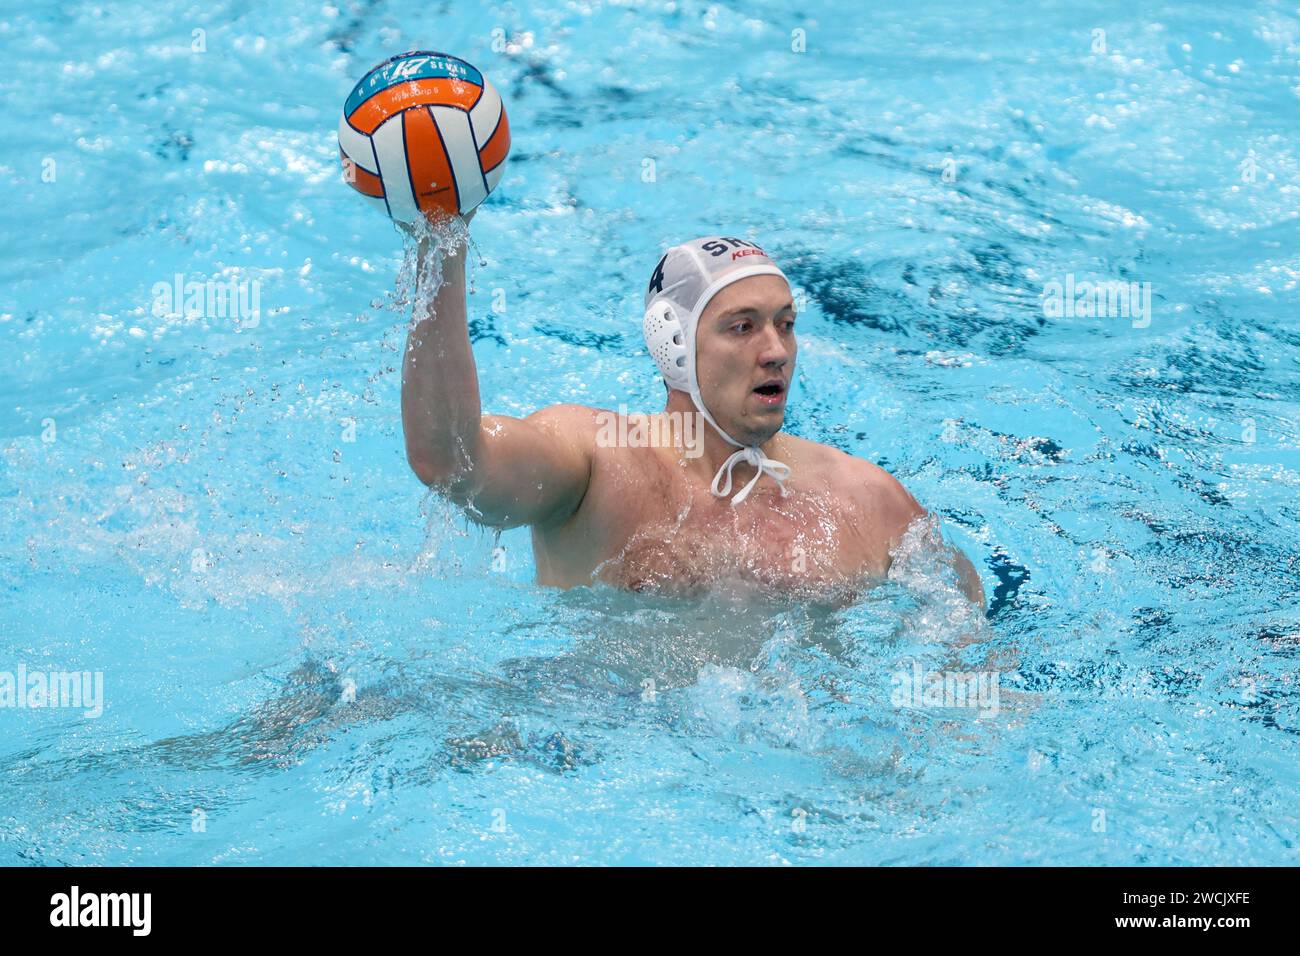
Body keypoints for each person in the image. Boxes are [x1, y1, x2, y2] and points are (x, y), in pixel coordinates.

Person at [401, 218, 983, 604]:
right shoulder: (595, 463)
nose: (776, 351)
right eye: (742, 327)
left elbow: (963, 620)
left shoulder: (866, 497)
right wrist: (440, 245)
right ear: (672, 345)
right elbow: (451, 461)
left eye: (785, 324)